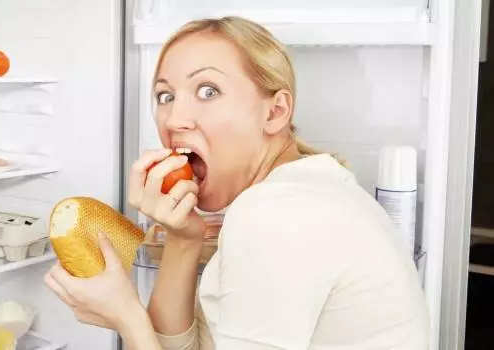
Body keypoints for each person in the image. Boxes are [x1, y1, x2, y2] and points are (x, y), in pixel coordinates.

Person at [43, 16, 430, 349]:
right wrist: (183, 236)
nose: (174, 119)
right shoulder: (303, 187)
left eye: (208, 91)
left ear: (275, 111)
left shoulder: (279, 213)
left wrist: (126, 315)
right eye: (165, 95)